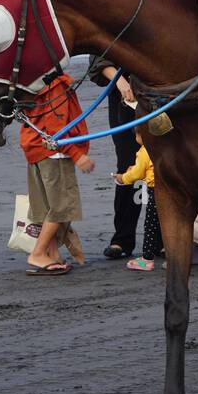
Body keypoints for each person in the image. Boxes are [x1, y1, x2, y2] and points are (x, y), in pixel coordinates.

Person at [18, 72, 95, 275]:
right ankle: (38, 252)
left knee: (46, 207)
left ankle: (50, 254)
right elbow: (56, 128)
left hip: (35, 148)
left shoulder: (30, 82)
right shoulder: (55, 86)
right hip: (55, 154)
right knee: (61, 207)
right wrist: (77, 155)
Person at [89, 59, 141, 258]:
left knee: (163, 167)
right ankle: (123, 238)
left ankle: (163, 239)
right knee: (128, 166)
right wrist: (119, 80)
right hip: (125, 98)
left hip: (162, 92)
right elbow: (96, 59)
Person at [114, 132, 158, 271]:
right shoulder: (164, 146)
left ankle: (147, 259)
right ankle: (174, 256)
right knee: (171, 224)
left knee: (151, 225)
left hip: (156, 190)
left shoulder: (144, 151)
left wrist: (123, 178)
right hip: (170, 188)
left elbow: (137, 174)